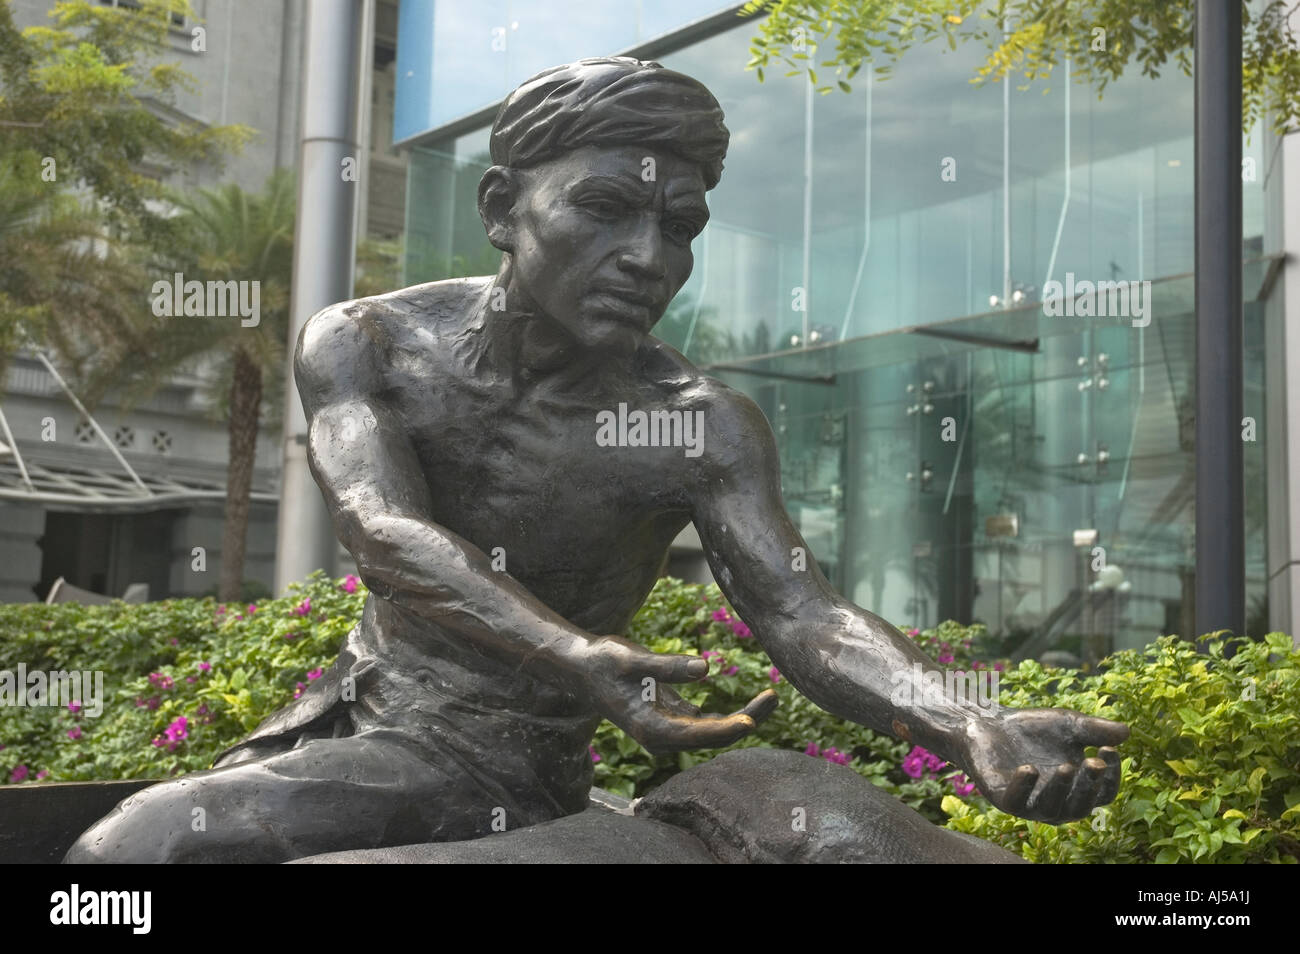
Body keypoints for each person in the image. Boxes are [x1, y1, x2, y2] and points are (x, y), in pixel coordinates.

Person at [67, 57, 1125, 863]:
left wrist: (968, 722)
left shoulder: (699, 424)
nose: (647, 258)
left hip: (507, 770)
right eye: (605, 210)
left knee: (138, 850)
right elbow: (384, 534)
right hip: (361, 722)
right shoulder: (368, 343)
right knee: (128, 851)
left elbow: (803, 614)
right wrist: (570, 650)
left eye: (680, 226)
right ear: (500, 210)